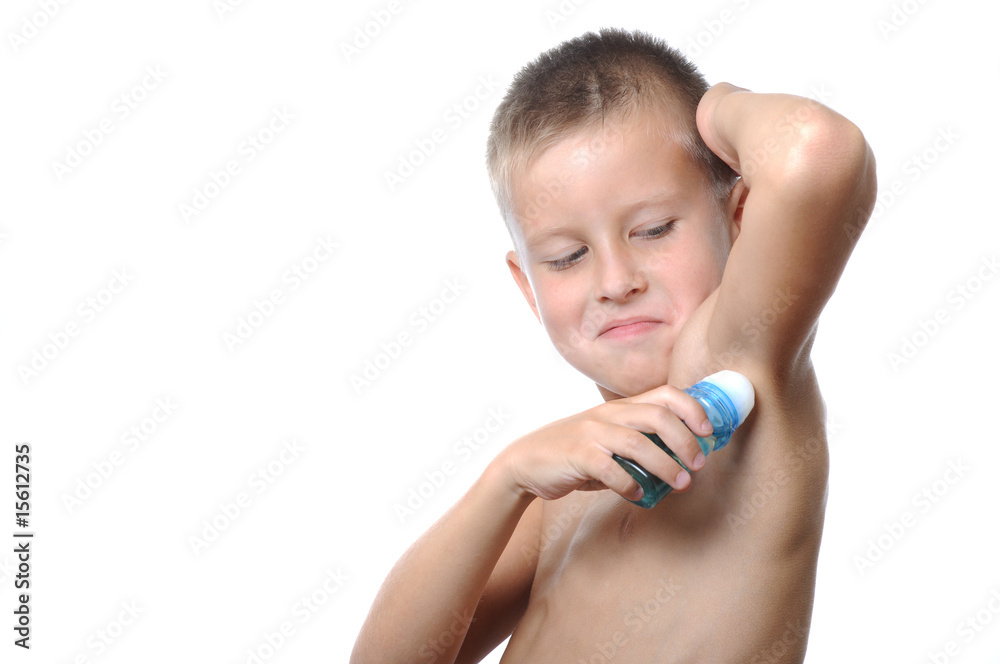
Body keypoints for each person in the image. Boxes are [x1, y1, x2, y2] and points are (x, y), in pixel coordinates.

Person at [352, 27, 876, 663]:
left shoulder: (733, 371)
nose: (616, 282)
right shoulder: (564, 493)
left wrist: (710, 105)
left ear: (738, 218)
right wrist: (507, 478)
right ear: (527, 285)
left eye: (653, 229)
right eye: (568, 256)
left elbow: (816, 150)